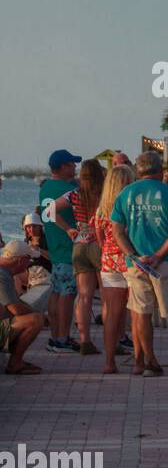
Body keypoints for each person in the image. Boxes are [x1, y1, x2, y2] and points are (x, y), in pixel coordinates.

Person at [110, 151, 168, 377]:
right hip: (167, 262)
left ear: (138, 171)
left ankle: (150, 362)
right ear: (160, 170)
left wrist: (133, 255)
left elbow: (117, 232)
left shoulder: (125, 194)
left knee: (142, 313)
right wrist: (158, 255)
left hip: (136, 264)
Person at [52, 159, 105, 356]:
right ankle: (114, 340)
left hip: (80, 245)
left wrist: (68, 229)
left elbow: (50, 210)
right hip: (100, 245)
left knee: (84, 296)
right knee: (107, 297)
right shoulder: (105, 194)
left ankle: (85, 341)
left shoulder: (74, 194)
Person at [94, 165, 135, 373]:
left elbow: (100, 238)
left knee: (112, 313)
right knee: (137, 313)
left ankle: (109, 362)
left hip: (109, 263)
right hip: (131, 261)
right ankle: (141, 360)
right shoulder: (131, 207)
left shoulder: (102, 209)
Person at [39, 149, 80, 353]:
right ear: (63, 166)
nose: (75, 167)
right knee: (67, 293)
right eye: (72, 164)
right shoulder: (68, 189)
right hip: (67, 246)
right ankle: (62, 338)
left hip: (54, 246)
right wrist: (69, 229)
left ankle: (55, 336)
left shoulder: (45, 187)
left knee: (56, 292)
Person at [0, 241, 45, 375]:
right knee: (35, 320)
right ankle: (15, 363)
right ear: (20, 260)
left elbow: (15, 302)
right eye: (29, 259)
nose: (29, 264)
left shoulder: (4, 273)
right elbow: (16, 309)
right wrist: (41, 315)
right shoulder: (2, 276)